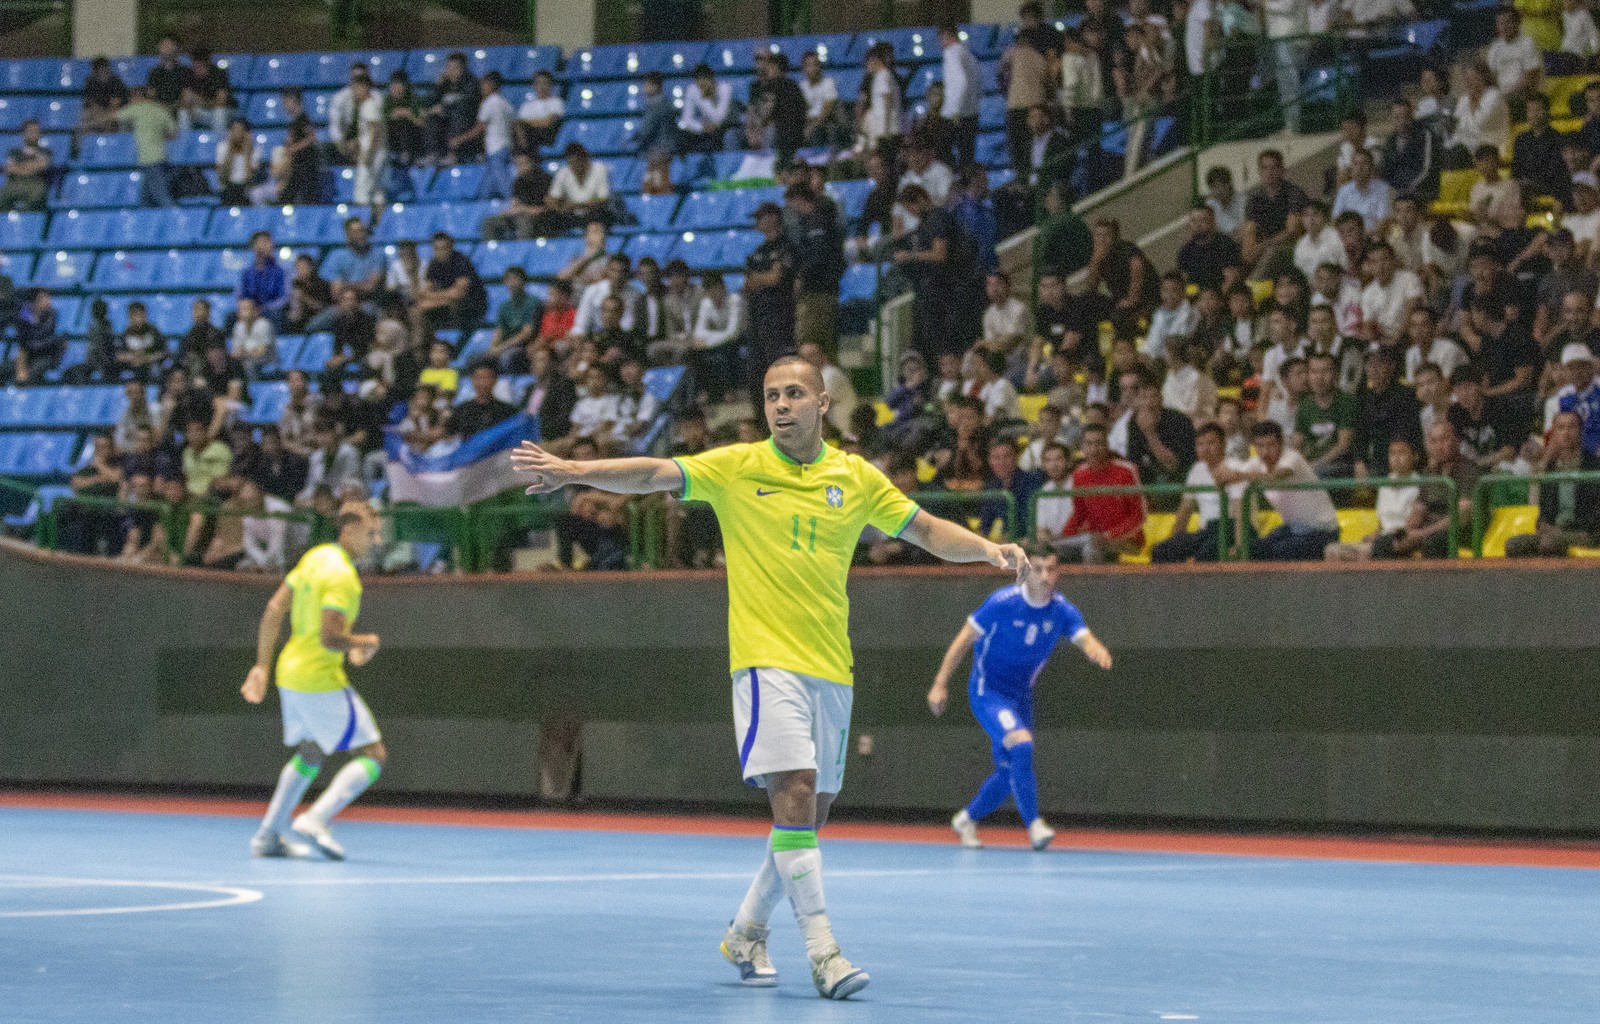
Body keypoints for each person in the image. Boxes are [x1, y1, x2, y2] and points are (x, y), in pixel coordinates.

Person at [510, 355, 1025, 999]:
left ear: (821, 404)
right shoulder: (738, 466)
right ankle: (824, 951)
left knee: (813, 812)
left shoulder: (854, 477)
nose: (779, 405)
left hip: (832, 667)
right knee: (796, 792)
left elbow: (922, 529)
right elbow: (653, 472)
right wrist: (574, 470)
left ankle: (746, 930)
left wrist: (986, 548)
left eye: (792, 394)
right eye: (770, 396)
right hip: (764, 662)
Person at [929, 553, 1112, 851]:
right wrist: (939, 684)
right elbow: (964, 640)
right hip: (988, 692)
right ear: (1026, 572)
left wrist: (1096, 650)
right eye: (1037, 569)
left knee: (1009, 771)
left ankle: (966, 819)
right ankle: (1035, 825)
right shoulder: (1002, 603)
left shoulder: (1062, 610)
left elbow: (1084, 637)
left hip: (1020, 697)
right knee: (1022, 744)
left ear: (1058, 572)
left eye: (1051, 569)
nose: (1044, 576)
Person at [240, 501, 386, 861]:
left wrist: (261, 665)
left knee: (310, 753)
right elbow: (329, 637)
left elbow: (275, 609)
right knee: (373, 754)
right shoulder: (342, 576)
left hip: (289, 672)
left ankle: (267, 836)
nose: (378, 540)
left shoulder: (316, 556)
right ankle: (316, 819)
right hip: (318, 678)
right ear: (349, 530)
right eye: (372, 533)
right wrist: (364, 642)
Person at [1505, 410, 1600, 556]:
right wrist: (1543, 525)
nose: (1566, 433)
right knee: (1513, 544)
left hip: (1586, 533)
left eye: (1571, 427)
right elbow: (1544, 510)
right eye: (1561, 428)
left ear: (1581, 431)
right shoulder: (1549, 469)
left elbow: (1595, 514)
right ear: (1554, 434)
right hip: (1553, 532)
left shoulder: (1594, 467)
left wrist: (1559, 532)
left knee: (1549, 544)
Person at [116, 86, 178, 208]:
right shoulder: (160, 109)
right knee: (145, 199)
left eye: (132, 98)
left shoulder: (137, 108)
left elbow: (112, 117)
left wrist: (87, 125)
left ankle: (179, 219)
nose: (130, 101)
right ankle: (144, 222)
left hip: (149, 160)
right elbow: (173, 134)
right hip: (160, 157)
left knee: (160, 196)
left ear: (138, 96)